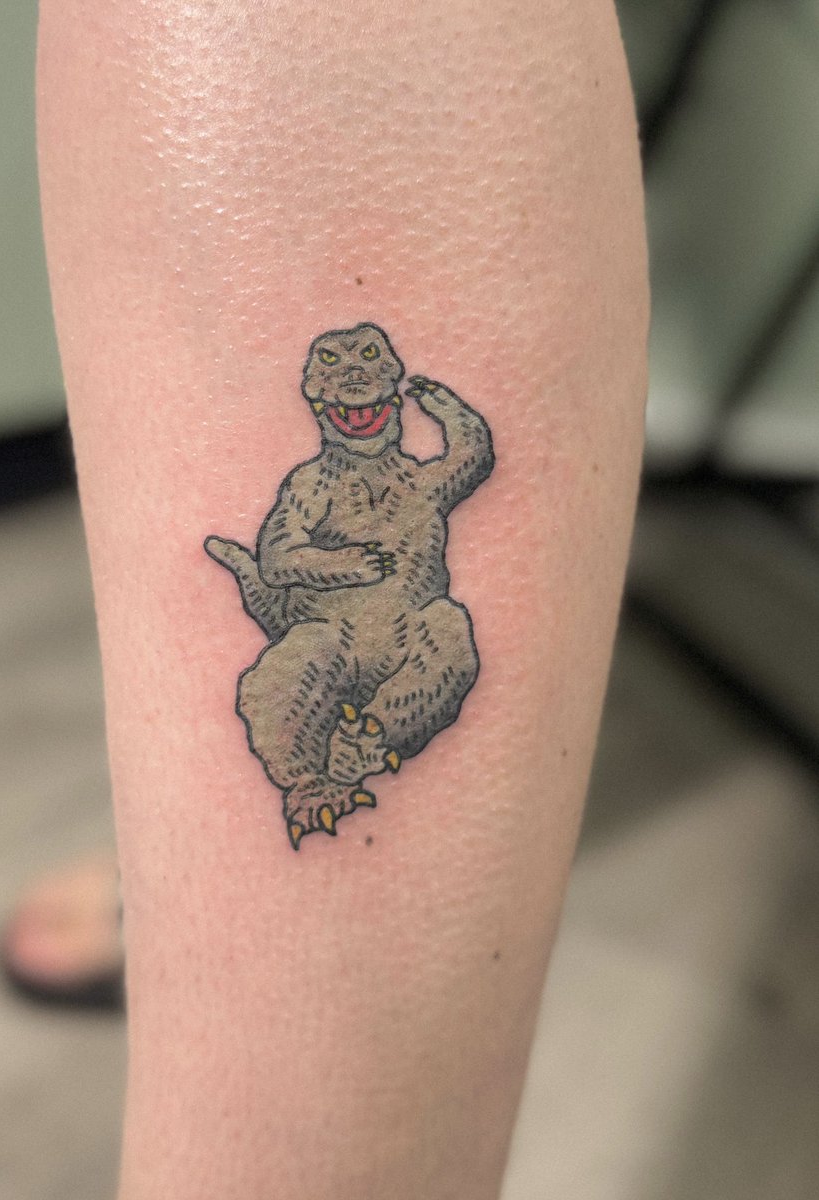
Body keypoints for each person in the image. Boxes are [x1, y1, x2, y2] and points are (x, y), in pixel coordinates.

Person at [33, 1, 648, 1196]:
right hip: (327, 632)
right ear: (321, 406)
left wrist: (441, 402)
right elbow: (275, 566)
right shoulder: (314, 487)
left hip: (404, 641)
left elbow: (471, 455)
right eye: (344, 386)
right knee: (283, 681)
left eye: (377, 384)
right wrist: (318, 574)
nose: (362, 396)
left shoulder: (418, 478)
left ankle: (347, 827)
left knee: (453, 640)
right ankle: (268, 815)